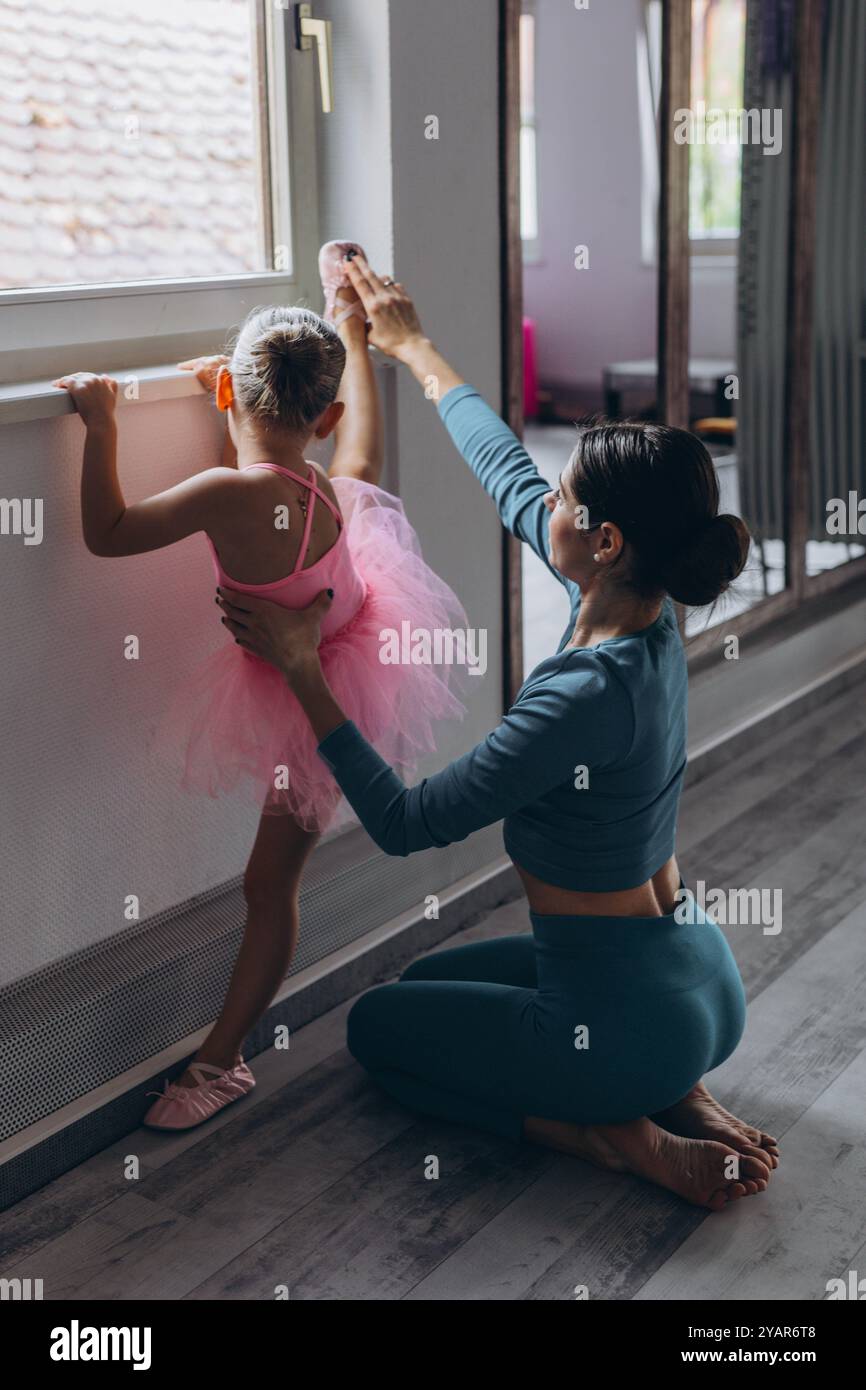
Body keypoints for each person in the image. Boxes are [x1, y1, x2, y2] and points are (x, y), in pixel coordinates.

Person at [215, 254, 780, 1210]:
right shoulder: (645, 612)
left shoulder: (577, 696)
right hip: (695, 978)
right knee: (440, 977)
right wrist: (408, 346)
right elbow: (507, 472)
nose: (544, 502)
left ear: (604, 541)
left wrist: (305, 667)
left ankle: (618, 1132)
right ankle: (673, 1084)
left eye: (566, 498)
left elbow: (402, 821)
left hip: (627, 1018)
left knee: (380, 1029)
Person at [53, 243, 467, 1131]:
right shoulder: (328, 479)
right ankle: (223, 1053)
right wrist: (334, 335)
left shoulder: (224, 491)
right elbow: (348, 449)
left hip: (310, 690)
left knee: (264, 884)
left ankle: (224, 1059)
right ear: (323, 420)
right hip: (355, 659)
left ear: (230, 395)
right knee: (270, 882)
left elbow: (111, 532)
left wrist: (104, 424)